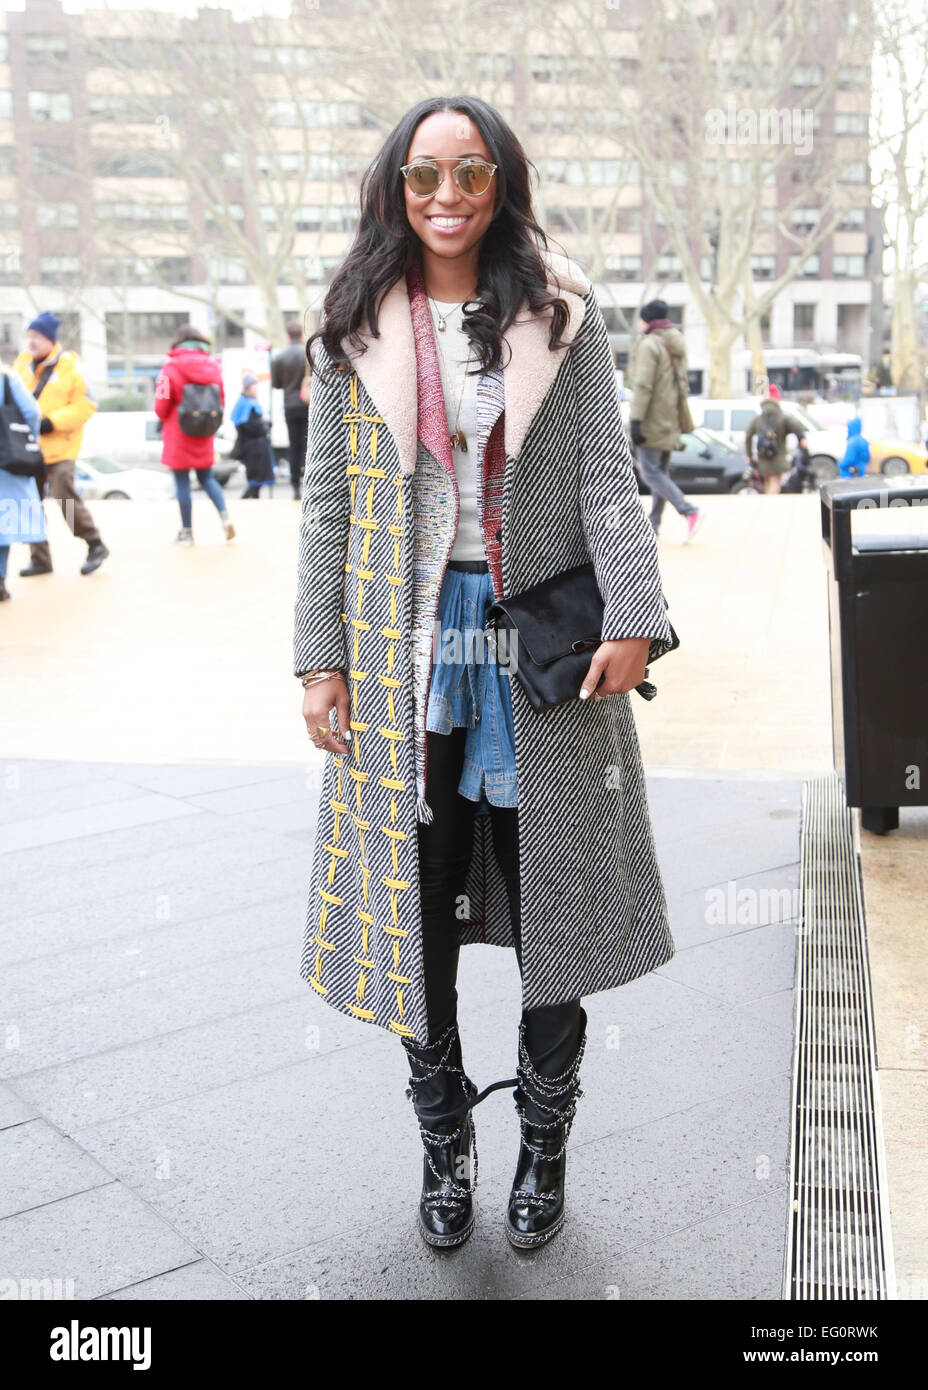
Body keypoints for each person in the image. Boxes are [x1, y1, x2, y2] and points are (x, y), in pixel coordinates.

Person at [292, 96, 676, 1252]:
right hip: (402, 640)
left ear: (501, 181)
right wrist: (319, 657)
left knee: (552, 894)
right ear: (395, 187)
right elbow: (325, 505)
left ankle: (545, 1142)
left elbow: (610, 479)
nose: (447, 198)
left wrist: (640, 615)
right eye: (424, 177)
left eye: (469, 174)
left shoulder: (561, 312)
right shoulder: (355, 319)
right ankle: (446, 1146)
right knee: (417, 905)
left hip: (539, 637)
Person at [13, 312, 109, 577]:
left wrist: (52, 422)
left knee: (63, 496)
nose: (31, 342)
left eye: (36, 337)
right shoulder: (21, 365)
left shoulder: (70, 366)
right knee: (30, 501)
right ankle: (40, 558)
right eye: (29, 336)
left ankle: (94, 544)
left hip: (61, 447)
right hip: (28, 447)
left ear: (49, 339)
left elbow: (87, 404)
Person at [628, 300, 704, 541]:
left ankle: (689, 511)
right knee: (659, 473)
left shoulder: (650, 344)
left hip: (651, 420)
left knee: (650, 474)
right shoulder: (675, 341)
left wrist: (636, 420)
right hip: (670, 419)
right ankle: (654, 525)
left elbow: (643, 385)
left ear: (647, 319)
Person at [153, 324, 235, 545]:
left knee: (181, 481)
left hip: (178, 432)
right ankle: (225, 517)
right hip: (204, 431)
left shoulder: (169, 368)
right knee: (207, 478)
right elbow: (221, 400)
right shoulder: (214, 366)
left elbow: (160, 406)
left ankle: (187, 533)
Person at [0, 363, 48, 601]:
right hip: (6, 460)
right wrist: (24, 442)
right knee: (3, 524)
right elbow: (31, 412)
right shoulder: (7, 377)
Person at [271, 320, 309, 500]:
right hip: (309, 404)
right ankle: (310, 481)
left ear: (287, 336)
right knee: (310, 444)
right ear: (301, 335)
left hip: (290, 404)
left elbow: (276, 384)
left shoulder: (280, 357)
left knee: (293, 445)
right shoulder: (310, 353)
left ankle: (295, 486)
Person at [231, 372, 276, 499]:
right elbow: (252, 426)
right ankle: (244, 500)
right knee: (256, 478)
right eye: (254, 385)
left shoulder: (245, 402)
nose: (256, 388)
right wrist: (265, 426)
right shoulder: (248, 404)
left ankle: (252, 501)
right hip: (254, 447)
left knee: (255, 479)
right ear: (248, 387)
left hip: (252, 446)